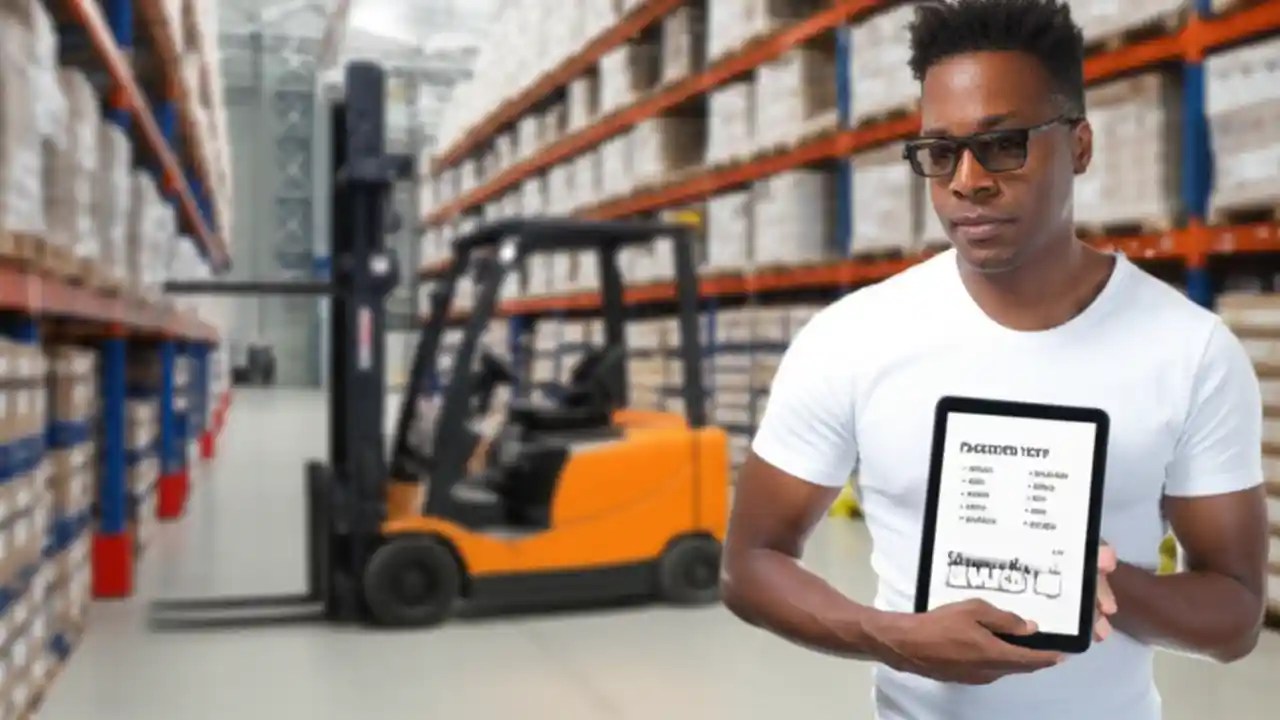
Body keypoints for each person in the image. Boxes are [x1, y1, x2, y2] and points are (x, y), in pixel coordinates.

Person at [719, 1, 1270, 718]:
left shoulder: (1189, 349)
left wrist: (1077, 582)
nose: (967, 181)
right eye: (939, 153)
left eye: (1003, 144)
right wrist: (896, 637)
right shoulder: (852, 338)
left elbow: (1235, 615)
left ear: (1079, 147)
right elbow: (749, 563)